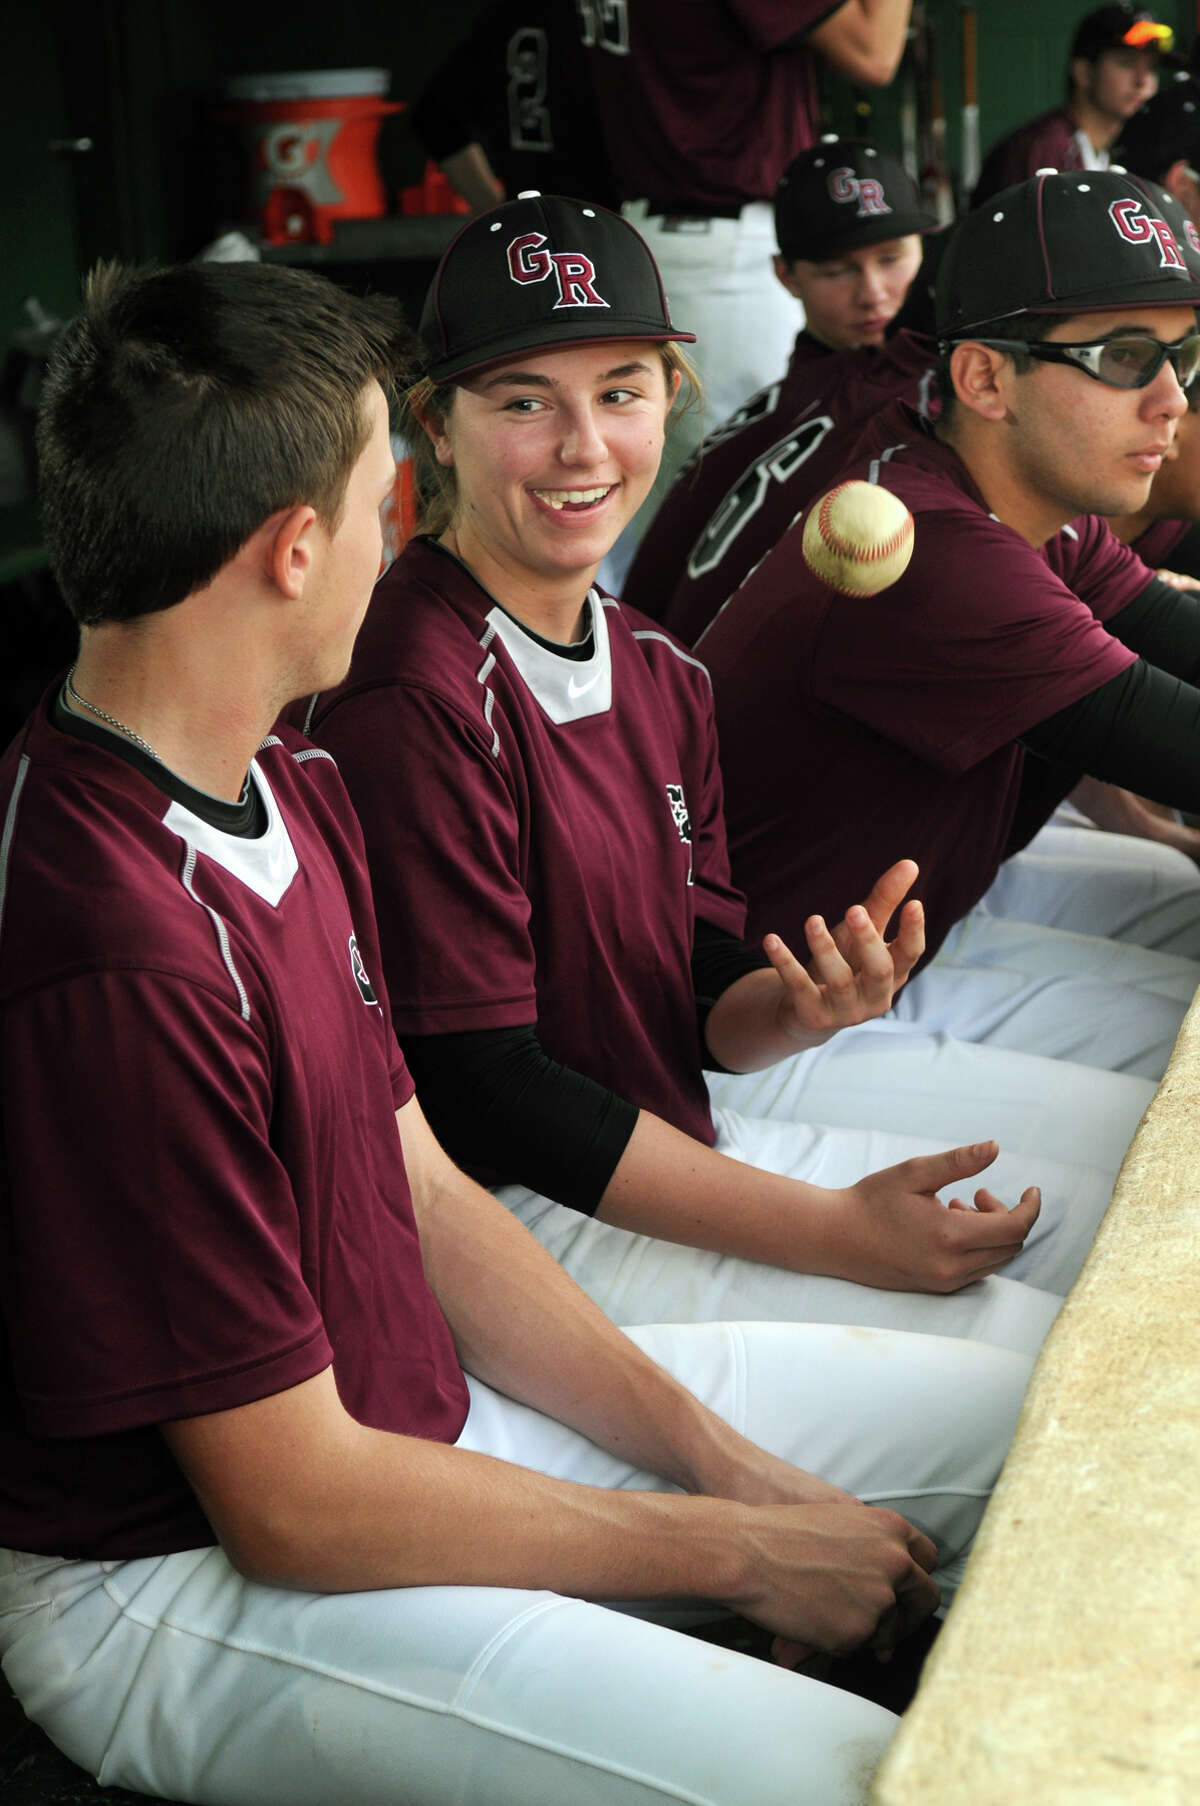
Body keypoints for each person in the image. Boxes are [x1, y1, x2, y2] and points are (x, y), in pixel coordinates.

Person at [0, 256, 1035, 1806]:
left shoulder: (282, 778)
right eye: (380, 497)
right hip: (170, 1583)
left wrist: (724, 1461)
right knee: (861, 1777)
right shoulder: (115, 945)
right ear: (294, 550)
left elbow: (418, 1190)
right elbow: (293, 1509)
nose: (394, 533)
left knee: (1043, 1428)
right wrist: (734, 1547)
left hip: (407, 1424)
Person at [301, 191, 1161, 1367]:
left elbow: (701, 994)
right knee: (1038, 1339)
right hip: (512, 1223)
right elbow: (489, 1089)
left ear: (669, 400)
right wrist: (833, 1234)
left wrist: (791, 1007)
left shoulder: (656, 667)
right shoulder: (414, 689)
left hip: (672, 1138)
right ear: (435, 430)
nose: (582, 446)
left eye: (620, 391)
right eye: (523, 401)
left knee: (1091, 1241)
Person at [700, 168, 1200, 1090]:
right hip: (755, 1032)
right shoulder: (933, 551)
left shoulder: (1007, 490)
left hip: (895, 944)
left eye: (1183, 352)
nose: (1172, 397)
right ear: (982, 378)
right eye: (1126, 356)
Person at [577, 0, 916, 585]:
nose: (873, 289)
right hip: (720, 250)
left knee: (693, 520)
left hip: (667, 234)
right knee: (741, 536)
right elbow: (873, 49)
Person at [623, 136, 939, 645]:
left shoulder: (796, 403)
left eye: (891, 257)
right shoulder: (794, 415)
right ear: (784, 275)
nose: (873, 293)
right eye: (837, 269)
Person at [409, 0, 618, 213]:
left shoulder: (508, 14)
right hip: (611, 221)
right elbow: (435, 116)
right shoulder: (510, 15)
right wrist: (498, 212)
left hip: (545, 224)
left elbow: (433, 115)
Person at [972, 3, 1170, 206]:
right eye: (1126, 63)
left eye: (1152, 68)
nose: (1143, 80)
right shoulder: (1047, 147)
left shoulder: (1104, 150)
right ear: (1084, 72)